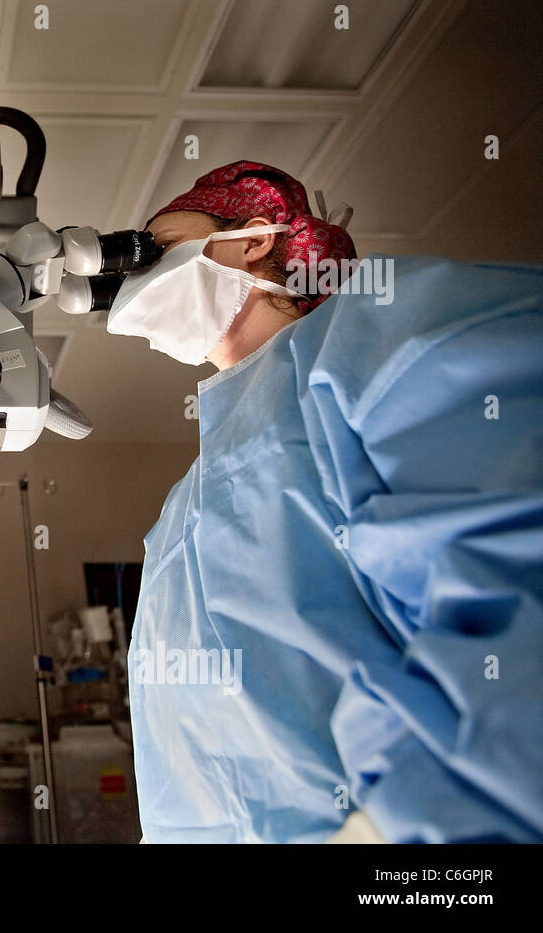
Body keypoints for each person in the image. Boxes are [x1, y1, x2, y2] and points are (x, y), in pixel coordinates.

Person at [110, 161, 543, 843]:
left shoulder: (378, 337)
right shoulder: (177, 513)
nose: (133, 265)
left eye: (153, 243)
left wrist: (412, 824)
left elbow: (520, 580)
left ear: (253, 240)